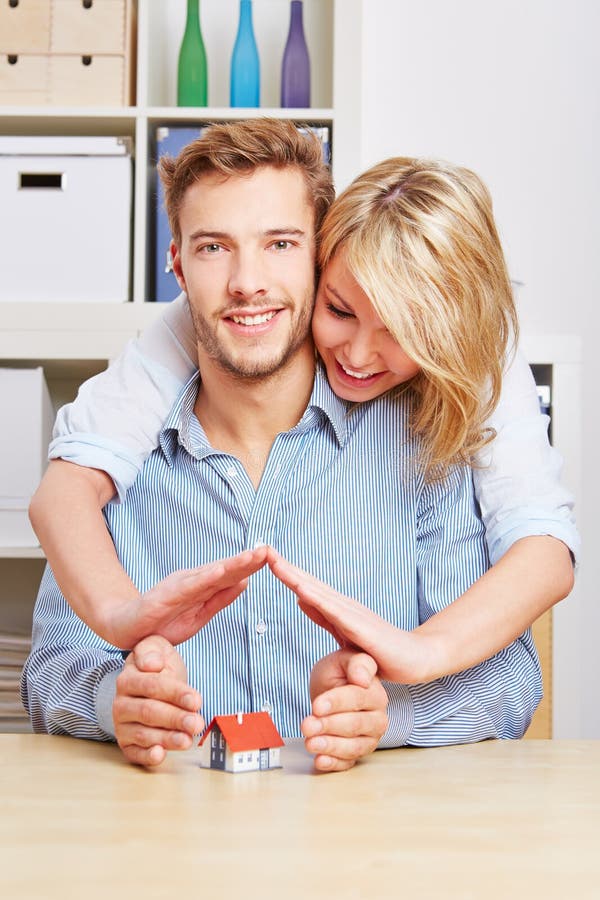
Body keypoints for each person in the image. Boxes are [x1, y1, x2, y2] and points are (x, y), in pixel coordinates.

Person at [22, 120, 569, 770]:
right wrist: (118, 698)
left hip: (363, 858)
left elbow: (510, 680)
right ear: (177, 262)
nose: (248, 281)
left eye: (278, 243)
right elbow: (48, 671)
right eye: (213, 248)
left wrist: (385, 712)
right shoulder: (115, 450)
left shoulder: (430, 443)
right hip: (164, 853)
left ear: (314, 254)